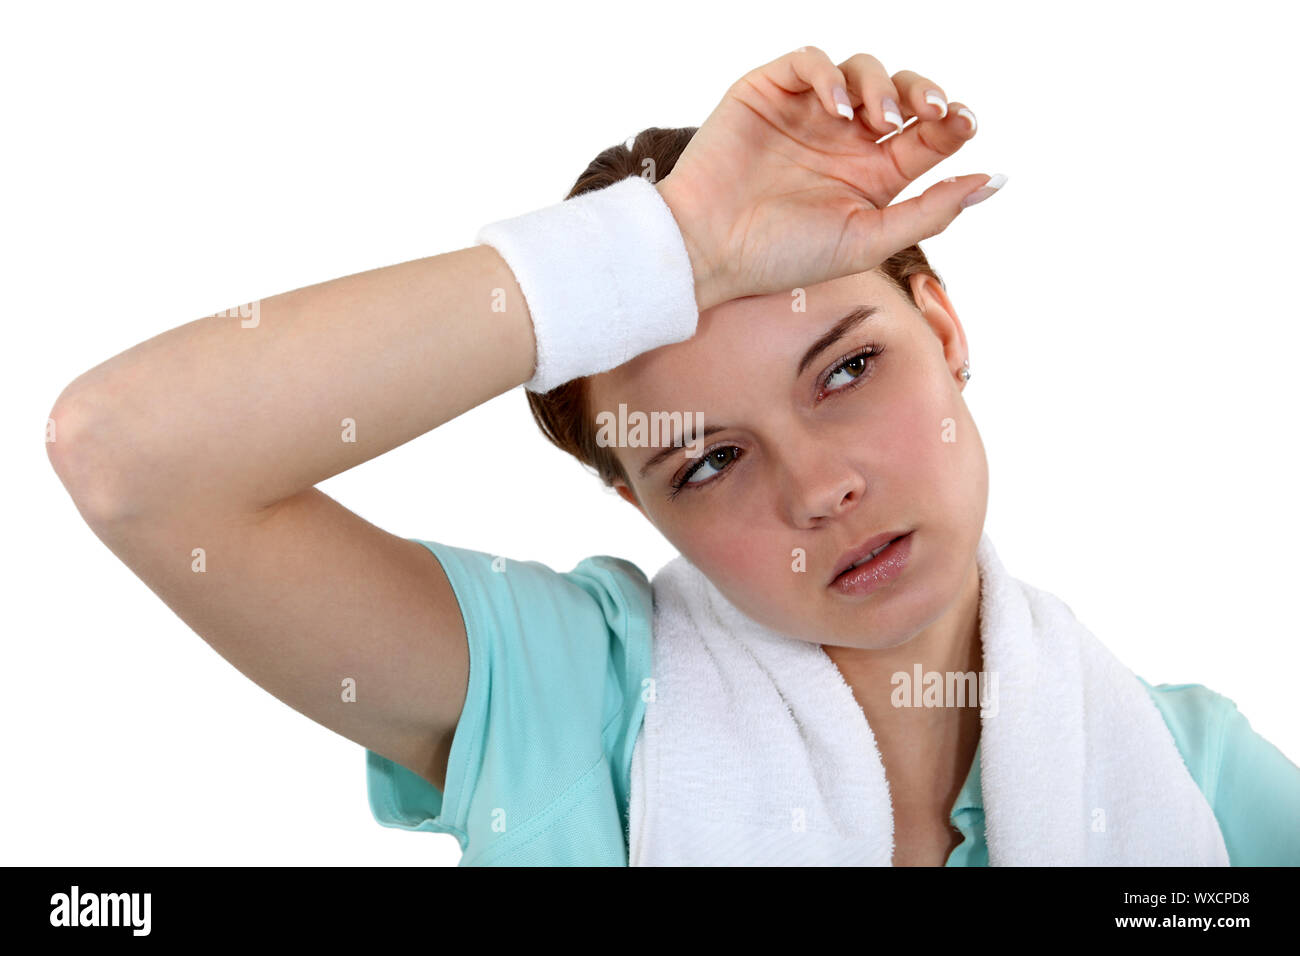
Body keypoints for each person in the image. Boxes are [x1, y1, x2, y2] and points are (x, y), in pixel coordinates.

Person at [46, 46, 1300, 866]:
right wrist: (668, 253)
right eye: (704, 461)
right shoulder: (571, 701)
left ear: (945, 325)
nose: (819, 489)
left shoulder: (1196, 776)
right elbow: (129, 455)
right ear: (630, 496)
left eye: (848, 369)